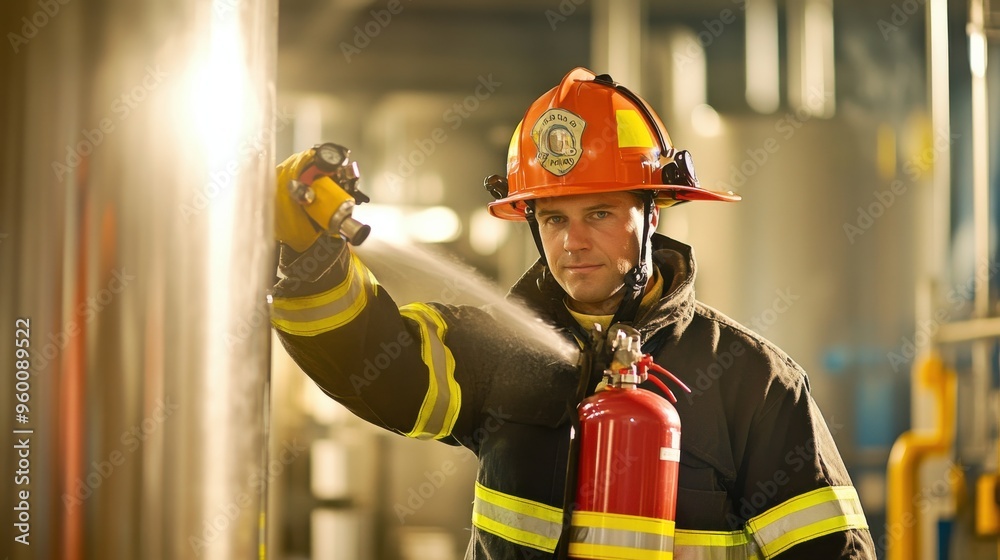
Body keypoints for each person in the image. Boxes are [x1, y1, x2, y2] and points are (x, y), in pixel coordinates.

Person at [269, 67, 876, 559]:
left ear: (652, 215)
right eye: (555, 219)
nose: (573, 243)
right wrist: (311, 257)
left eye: (601, 214)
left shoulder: (754, 383)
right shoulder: (500, 350)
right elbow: (369, 365)